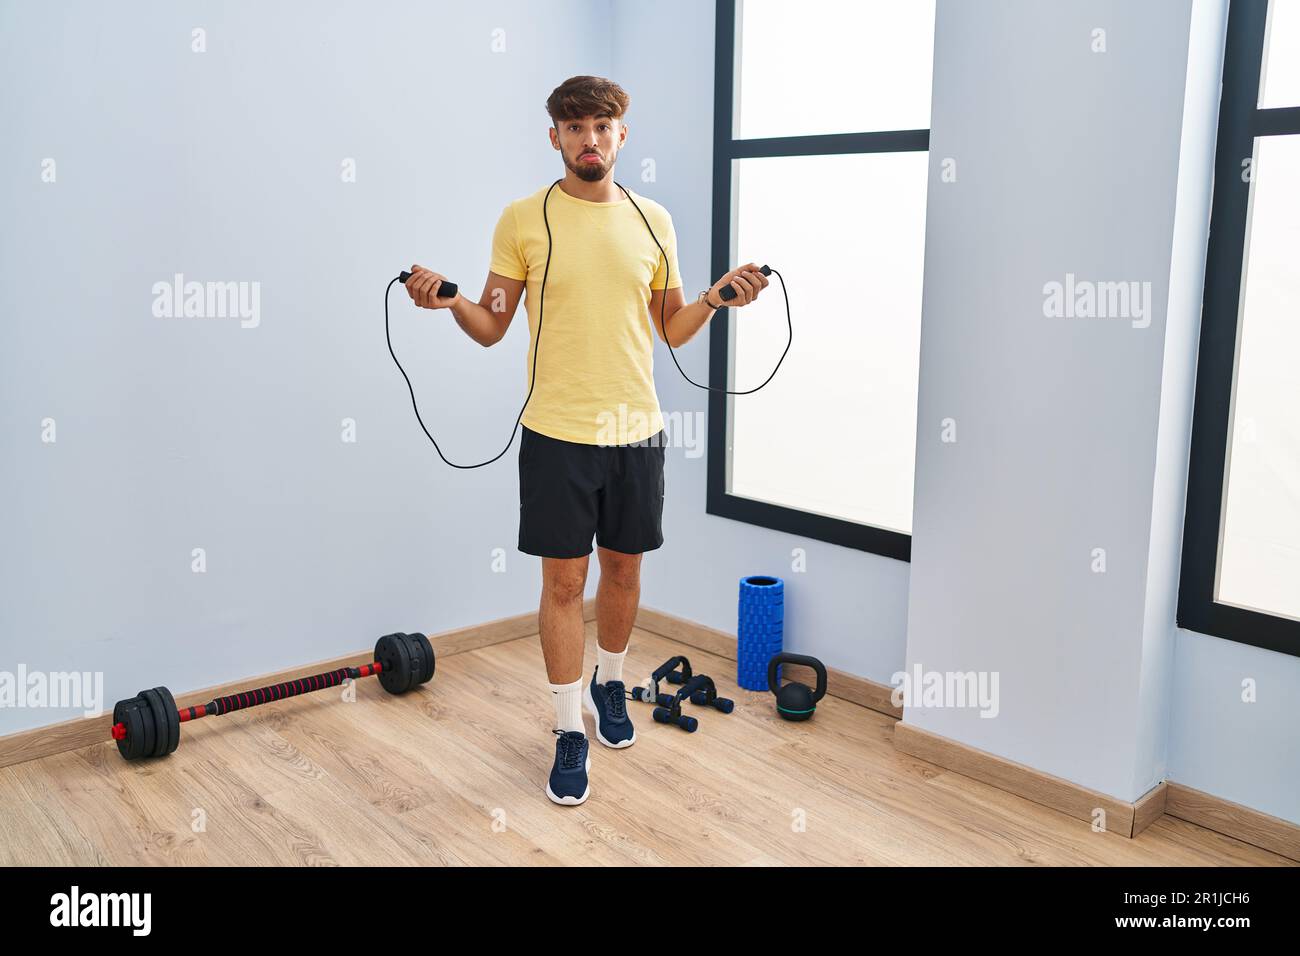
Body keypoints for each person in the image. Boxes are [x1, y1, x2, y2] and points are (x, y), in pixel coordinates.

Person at [403, 75, 767, 805]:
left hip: (636, 433)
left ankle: (612, 685)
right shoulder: (523, 220)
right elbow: (491, 324)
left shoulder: (654, 220)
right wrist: (445, 300)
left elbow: (672, 327)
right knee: (564, 584)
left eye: (602, 126)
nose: (589, 139)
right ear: (555, 138)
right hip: (556, 435)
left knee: (624, 575)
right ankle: (570, 730)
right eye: (574, 128)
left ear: (621, 135)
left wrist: (715, 300)